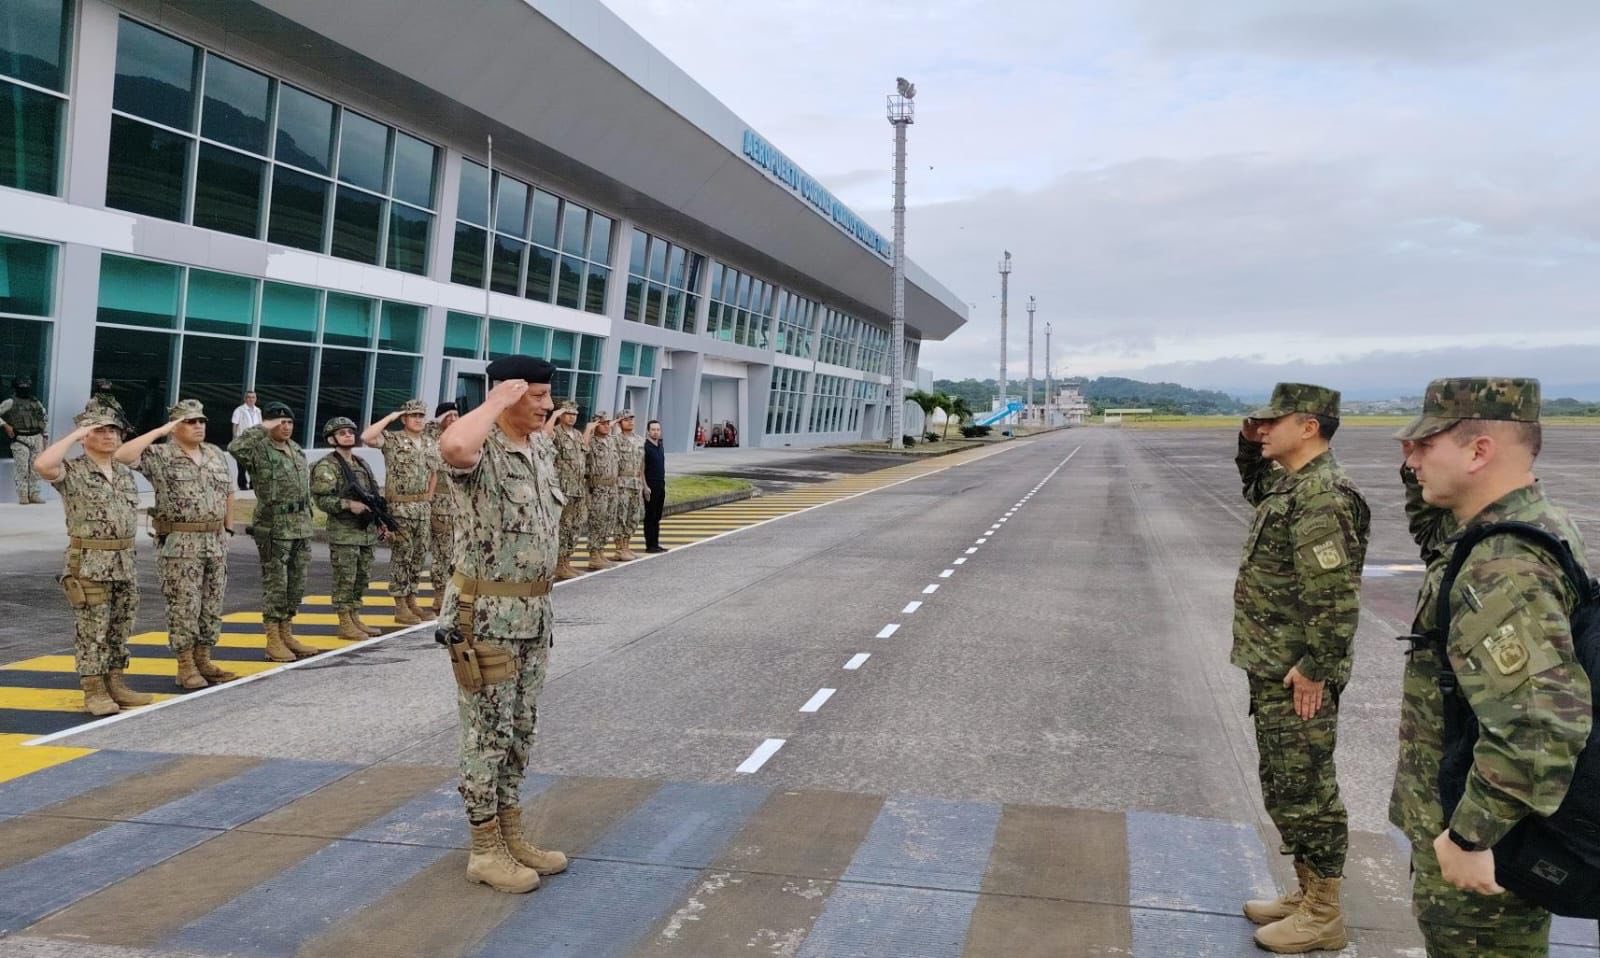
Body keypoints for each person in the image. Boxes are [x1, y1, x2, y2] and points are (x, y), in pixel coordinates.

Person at [1391, 377, 1591, 955]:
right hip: (1487, 818)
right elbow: (1433, 533)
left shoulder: (1503, 567)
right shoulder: (1520, 523)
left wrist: (1470, 835)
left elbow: (1542, 726)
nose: (1412, 457)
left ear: (1479, 452)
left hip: (1486, 836)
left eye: (1425, 445)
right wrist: (1420, 463)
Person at [1233, 382, 1370, 954]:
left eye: (1273, 422)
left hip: (1298, 673)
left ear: (1309, 426)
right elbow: (1255, 486)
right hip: (1274, 665)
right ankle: (1305, 891)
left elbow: (1336, 596)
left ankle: (1323, 912)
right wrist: (1247, 443)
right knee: (1284, 783)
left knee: (1307, 790)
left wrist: (1316, 667)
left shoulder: (1324, 497)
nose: (1263, 429)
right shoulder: (1293, 487)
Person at [436, 353, 568, 894]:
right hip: (486, 617)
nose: (547, 405)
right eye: (536, 395)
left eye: (546, 395)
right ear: (509, 394)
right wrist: (492, 400)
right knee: (486, 734)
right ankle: (484, 849)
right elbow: (453, 448)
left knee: (519, 730)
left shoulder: (537, 449)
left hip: (533, 615)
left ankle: (512, 835)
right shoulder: (481, 446)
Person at [116, 400, 240, 690]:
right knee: (184, 605)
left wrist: (229, 530)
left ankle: (204, 658)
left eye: (201, 421)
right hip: (180, 542)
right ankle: (185, 665)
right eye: (190, 422)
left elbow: (229, 493)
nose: (199, 426)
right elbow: (123, 455)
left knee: (211, 605)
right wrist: (160, 430)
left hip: (215, 540)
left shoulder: (214, 454)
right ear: (175, 428)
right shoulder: (160, 454)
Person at [32, 408, 148, 715]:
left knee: (120, 627)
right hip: (89, 563)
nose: (109, 434)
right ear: (85, 438)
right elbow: (42, 464)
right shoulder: (72, 469)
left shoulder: (123, 472)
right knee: (92, 630)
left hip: (124, 561)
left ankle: (115, 684)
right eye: (99, 430)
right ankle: (94, 691)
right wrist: (73, 435)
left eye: (113, 430)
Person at [228, 402, 319, 662]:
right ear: (268, 424)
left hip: (300, 525)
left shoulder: (297, 450)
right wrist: (262, 428)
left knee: (296, 583)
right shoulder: (257, 449)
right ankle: (273, 639)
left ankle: (286, 632)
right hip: (273, 527)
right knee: (276, 583)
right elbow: (235, 447)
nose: (286, 427)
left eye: (289, 422)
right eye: (279, 422)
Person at [311, 417, 385, 641]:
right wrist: (347, 505)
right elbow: (322, 500)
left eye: (351, 432)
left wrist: (380, 520)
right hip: (344, 532)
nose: (348, 436)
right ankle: (344, 622)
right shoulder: (327, 466)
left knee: (361, 577)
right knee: (345, 578)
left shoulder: (361, 463)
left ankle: (354, 616)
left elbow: (373, 495)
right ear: (332, 439)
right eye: (342, 433)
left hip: (365, 532)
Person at [362, 399, 434, 626]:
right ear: (404, 419)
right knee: (402, 555)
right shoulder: (393, 439)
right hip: (400, 507)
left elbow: (435, 472)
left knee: (418, 556)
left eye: (421, 416)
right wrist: (390, 417)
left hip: (422, 507)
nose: (418, 420)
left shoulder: (430, 442)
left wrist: (429, 499)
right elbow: (367, 437)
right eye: (413, 416)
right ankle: (400, 604)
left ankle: (412, 598)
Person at [425, 402, 460, 608]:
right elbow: (429, 430)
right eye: (449, 415)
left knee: (456, 551)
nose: (454, 419)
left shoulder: (459, 439)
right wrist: (440, 419)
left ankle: (451, 591)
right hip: (439, 503)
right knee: (442, 551)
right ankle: (440, 593)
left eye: (456, 415)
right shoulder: (433, 438)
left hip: (458, 504)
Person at [551, 401, 588, 580]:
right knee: (563, 527)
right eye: (568, 414)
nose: (572, 417)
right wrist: (553, 416)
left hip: (578, 489)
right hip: (563, 488)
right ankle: (558, 563)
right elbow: (543, 436)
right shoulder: (556, 433)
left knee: (575, 526)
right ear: (561, 415)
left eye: (574, 414)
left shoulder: (578, 435)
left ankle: (566, 561)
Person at [1, 375, 48, 503]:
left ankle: (34, 494)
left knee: (36, 468)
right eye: (22, 385)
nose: (25, 388)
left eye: (26, 385)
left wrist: (45, 437)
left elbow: (43, 419)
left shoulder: (36, 402)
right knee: (22, 468)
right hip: (20, 438)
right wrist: (6, 425)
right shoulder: (10, 402)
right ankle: (23, 495)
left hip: (36, 437)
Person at [584, 410, 618, 570]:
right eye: (602, 423)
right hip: (597, 488)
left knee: (608, 521)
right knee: (597, 521)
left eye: (607, 423)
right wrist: (590, 429)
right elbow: (582, 450)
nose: (606, 426)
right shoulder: (591, 442)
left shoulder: (611, 441)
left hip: (611, 487)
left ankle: (601, 551)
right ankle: (594, 554)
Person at [611, 409, 643, 561]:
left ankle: (627, 546)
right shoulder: (615, 440)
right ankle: (619, 549)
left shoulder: (639, 440)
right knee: (621, 516)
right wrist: (613, 425)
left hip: (636, 483)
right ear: (619, 422)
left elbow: (642, 463)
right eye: (626, 419)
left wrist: (644, 484)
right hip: (622, 483)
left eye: (631, 418)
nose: (630, 421)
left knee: (633, 516)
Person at [643, 419, 667, 553]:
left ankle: (656, 543)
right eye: (653, 429)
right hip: (650, 485)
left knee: (657, 516)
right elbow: (641, 469)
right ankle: (650, 545)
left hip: (660, 485)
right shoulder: (645, 447)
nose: (656, 432)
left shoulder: (660, 446)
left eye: (658, 429)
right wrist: (645, 486)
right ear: (648, 431)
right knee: (650, 516)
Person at [230, 391, 262, 491]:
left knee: (254, 464)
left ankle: (253, 483)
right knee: (242, 465)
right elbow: (235, 425)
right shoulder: (239, 410)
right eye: (249, 397)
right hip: (243, 441)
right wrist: (235, 438)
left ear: (255, 399)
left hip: (255, 441)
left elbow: (260, 425)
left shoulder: (258, 410)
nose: (251, 399)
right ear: (245, 399)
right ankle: (242, 484)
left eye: (253, 397)